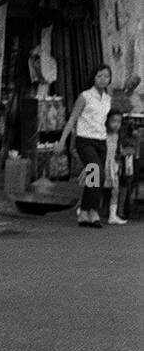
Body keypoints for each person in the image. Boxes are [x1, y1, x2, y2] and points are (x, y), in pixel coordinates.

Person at [57, 63, 113, 228]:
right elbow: (72, 119)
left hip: (101, 141)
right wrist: (62, 141)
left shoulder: (108, 99)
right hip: (85, 140)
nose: (103, 79)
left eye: (106, 76)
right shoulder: (85, 96)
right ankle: (93, 211)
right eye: (99, 76)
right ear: (93, 78)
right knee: (97, 172)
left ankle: (84, 212)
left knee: (94, 177)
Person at [104, 108, 128, 225]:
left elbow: (118, 150)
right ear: (107, 120)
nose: (116, 124)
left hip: (112, 165)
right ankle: (87, 208)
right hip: (99, 163)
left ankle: (112, 215)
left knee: (115, 190)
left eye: (119, 122)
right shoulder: (102, 133)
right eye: (113, 121)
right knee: (93, 188)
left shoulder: (117, 135)